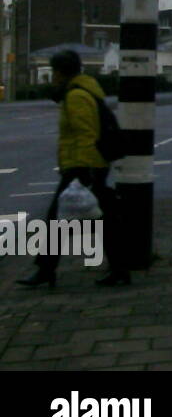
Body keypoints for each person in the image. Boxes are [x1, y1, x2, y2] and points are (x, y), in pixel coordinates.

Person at [17, 49, 129, 289]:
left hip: (83, 166)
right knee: (101, 218)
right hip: (87, 165)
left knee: (58, 218)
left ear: (59, 72)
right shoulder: (81, 91)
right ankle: (119, 269)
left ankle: (46, 270)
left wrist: (84, 171)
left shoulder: (77, 96)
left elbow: (85, 133)